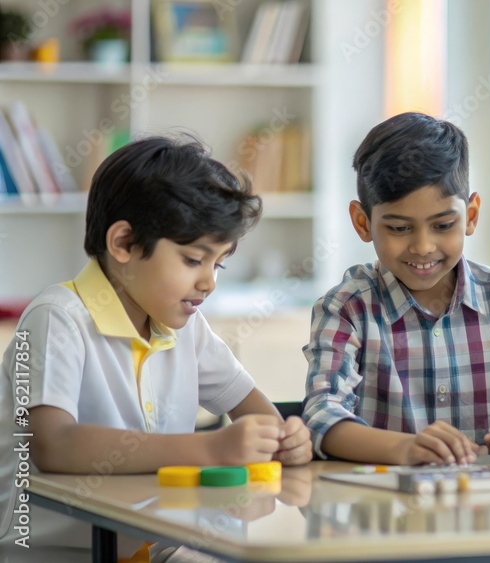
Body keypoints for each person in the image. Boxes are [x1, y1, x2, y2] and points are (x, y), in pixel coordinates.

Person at [0, 136, 312, 562]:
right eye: (192, 260)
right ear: (124, 244)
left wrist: (282, 440)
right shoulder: (59, 318)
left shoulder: (186, 328)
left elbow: (254, 411)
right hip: (53, 552)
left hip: (154, 543)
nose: (209, 282)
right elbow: (53, 445)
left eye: (217, 263)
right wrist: (212, 449)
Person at [302, 112, 490, 465]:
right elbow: (322, 419)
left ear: (471, 215)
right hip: (382, 515)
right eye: (399, 229)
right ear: (362, 222)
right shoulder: (347, 309)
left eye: (443, 225)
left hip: (489, 514)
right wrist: (405, 448)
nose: (423, 247)